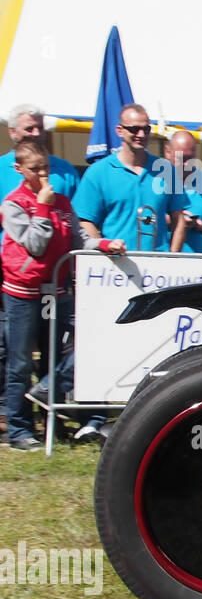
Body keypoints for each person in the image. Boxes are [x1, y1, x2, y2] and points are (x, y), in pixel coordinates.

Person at [3, 141, 124, 449]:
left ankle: (51, 420)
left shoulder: (62, 202)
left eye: (46, 167)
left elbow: (78, 239)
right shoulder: (14, 204)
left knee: (60, 356)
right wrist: (43, 207)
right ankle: (19, 430)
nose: (43, 174)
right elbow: (35, 245)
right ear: (20, 169)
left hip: (56, 291)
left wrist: (104, 244)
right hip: (23, 291)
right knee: (20, 363)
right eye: (35, 169)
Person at [73, 104, 182, 252]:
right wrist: (104, 249)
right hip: (116, 261)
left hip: (158, 262)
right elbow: (85, 220)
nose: (141, 135)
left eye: (146, 129)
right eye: (134, 129)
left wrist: (172, 257)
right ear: (120, 131)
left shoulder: (166, 170)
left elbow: (179, 219)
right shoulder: (98, 172)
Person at [0, 105, 81, 199]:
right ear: (13, 132)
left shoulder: (65, 169)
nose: (36, 133)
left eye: (40, 128)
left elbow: (78, 206)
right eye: (29, 129)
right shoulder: (2, 168)